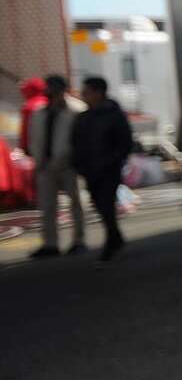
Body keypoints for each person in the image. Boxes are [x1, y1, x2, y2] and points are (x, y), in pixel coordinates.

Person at [71, 77, 133, 266]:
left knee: (106, 205)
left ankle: (111, 243)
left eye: (87, 91)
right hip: (90, 170)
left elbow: (125, 141)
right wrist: (79, 165)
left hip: (109, 169)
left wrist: (113, 160)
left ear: (98, 93)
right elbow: (76, 142)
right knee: (99, 205)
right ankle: (115, 238)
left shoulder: (114, 115)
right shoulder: (83, 117)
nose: (83, 95)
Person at [27, 75, 86, 258]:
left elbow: (82, 140)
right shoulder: (39, 112)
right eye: (48, 88)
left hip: (69, 165)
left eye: (54, 88)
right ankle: (50, 243)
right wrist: (37, 160)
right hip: (44, 166)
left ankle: (79, 241)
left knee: (76, 203)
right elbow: (33, 139)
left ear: (62, 90)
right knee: (46, 206)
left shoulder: (76, 110)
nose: (51, 92)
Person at [18, 77, 49, 156]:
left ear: (30, 90)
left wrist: (23, 148)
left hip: (35, 148)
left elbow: (25, 131)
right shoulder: (49, 102)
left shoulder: (28, 106)